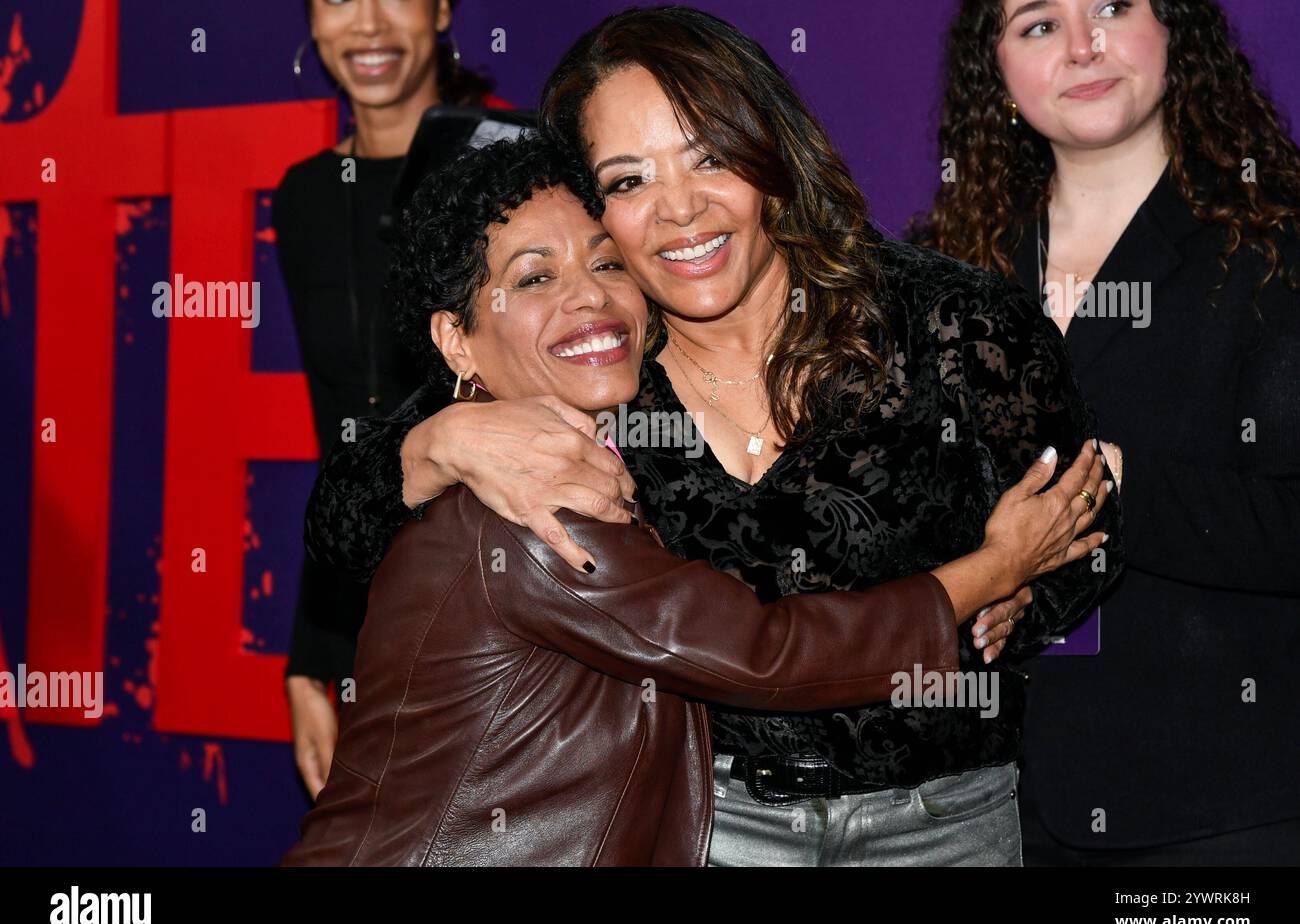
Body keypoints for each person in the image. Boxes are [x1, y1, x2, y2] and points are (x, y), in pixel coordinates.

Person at [301, 7, 1124, 866]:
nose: (680, 212)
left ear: (770, 153)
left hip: (945, 823)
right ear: (590, 207)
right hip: (704, 827)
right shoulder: (593, 359)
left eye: (709, 158)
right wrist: (439, 443)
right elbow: (341, 526)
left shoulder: (952, 324)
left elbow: (1087, 536)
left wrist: (1021, 603)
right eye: (627, 182)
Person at [918, 0, 1300, 863]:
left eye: (1113, 7)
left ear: (1176, 32)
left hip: (1224, 805)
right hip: (988, 808)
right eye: (1038, 24)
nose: (1084, 45)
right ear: (999, 74)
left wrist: (1110, 483)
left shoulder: (1277, 246)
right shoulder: (947, 265)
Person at [273, 0, 510, 799]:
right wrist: (315, 653)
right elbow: (336, 439)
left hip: (509, 611)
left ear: (442, 9)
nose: (368, 24)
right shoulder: (304, 197)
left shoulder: (512, 166)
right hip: (369, 618)